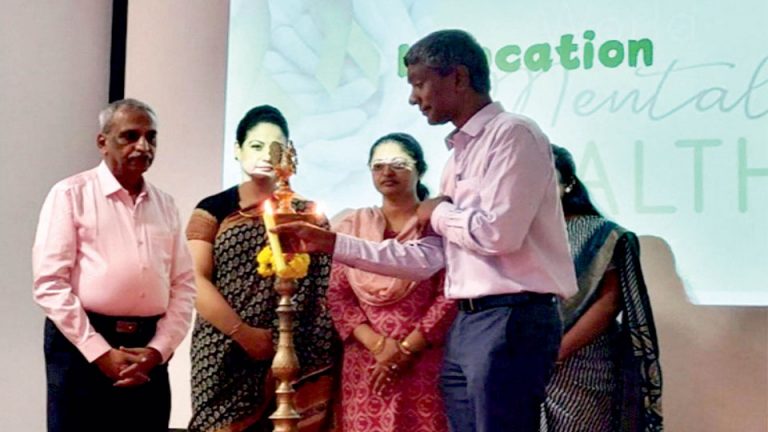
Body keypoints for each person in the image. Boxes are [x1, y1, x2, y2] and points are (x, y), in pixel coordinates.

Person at [274, 29, 578, 432]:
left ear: (458, 77)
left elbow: (498, 235)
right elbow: (425, 258)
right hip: (469, 324)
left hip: (513, 316)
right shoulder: (457, 158)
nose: (413, 98)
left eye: (420, 83)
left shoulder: (513, 134)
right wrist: (331, 243)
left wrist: (437, 212)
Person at [32, 98, 197, 432]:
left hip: (146, 352)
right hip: (82, 347)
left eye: (151, 137)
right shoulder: (70, 194)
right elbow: (50, 284)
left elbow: (183, 286)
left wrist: (158, 350)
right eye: (130, 136)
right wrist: (100, 353)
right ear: (102, 142)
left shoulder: (165, 205)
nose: (143, 146)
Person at [185, 105, 339, 432]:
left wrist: (293, 343)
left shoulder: (309, 214)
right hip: (223, 351)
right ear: (237, 150)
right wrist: (245, 334)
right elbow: (194, 279)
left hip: (298, 352)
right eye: (256, 146)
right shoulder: (214, 209)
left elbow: (324, 293)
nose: (267, 155)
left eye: (277, 147)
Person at [328, 133, 456, 432]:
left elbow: (449, 293)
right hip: (366, 360)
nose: (387, 172)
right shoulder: (353, 226)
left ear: (420, 169)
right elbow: (337, 296)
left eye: (398, 163)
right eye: (378, 165)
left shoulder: (437, 224)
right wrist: (379, 346)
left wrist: (407, 349)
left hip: (423, 359)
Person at [540, 144, 663, 432]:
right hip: (523, 361)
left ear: (568, 184)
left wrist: (555, 353)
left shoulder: (602, 234)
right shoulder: (512, 233)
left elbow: (609, 304)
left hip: (582, 363)